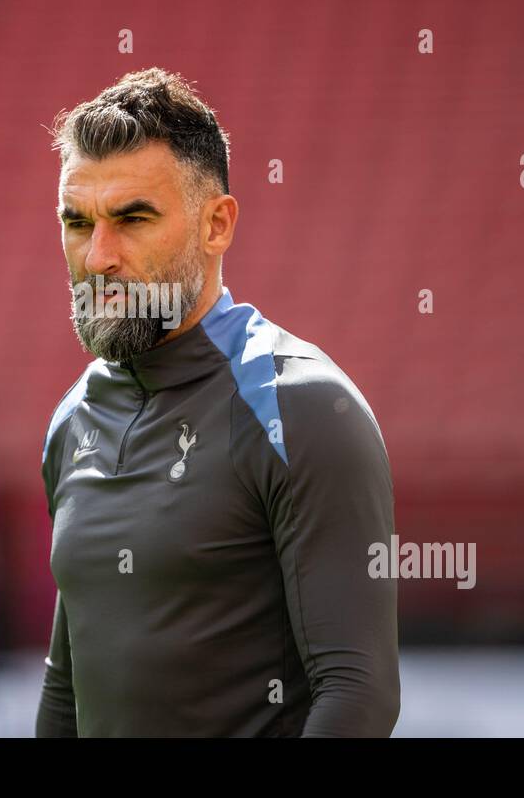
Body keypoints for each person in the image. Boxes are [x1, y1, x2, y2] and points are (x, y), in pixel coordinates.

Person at [35, 68, 400, 737]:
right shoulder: (73, 420)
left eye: (132, 218)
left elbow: (357, 696)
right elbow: (67, 694)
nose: (98, 256)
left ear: (217, 225)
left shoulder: (301, 409)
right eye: (76, 221)